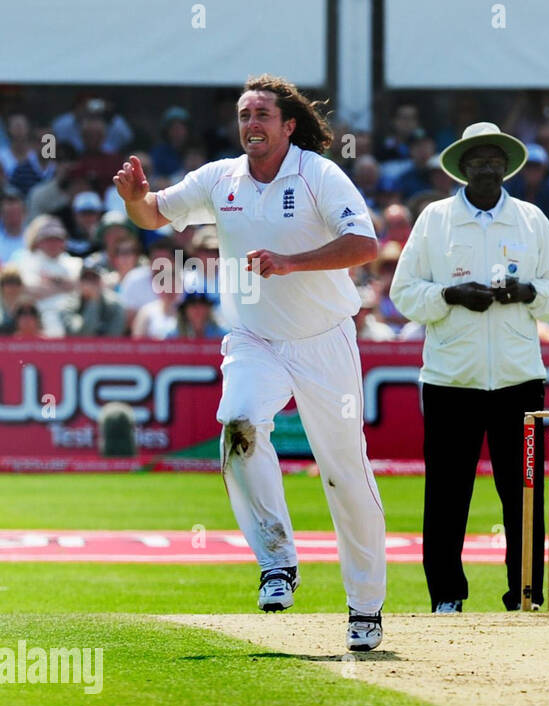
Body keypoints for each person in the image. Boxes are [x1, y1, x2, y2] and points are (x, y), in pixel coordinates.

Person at [114, 73, 387, 652]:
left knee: (344, 473)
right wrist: (136, 197)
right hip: (253, 337)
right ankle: (277, 561)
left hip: (323, 339)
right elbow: (153, 216)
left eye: (263, 114)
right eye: (244, 115)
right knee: (238, 427)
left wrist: (291, 262)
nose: (251, 124)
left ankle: (365, 606)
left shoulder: (318, 174)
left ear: (289, 126)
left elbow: (366, 246)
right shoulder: (220, 178)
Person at [391, 122, 549, 616]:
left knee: (523, 494)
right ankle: (446, 595)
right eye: (478, 160)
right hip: (451, 378)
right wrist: (450, 296)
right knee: (448, 494)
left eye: (496, 160)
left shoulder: (531, 220)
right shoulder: (435, 219)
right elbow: (403, 294)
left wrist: (527, 293)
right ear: (463, 166)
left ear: (506, 167)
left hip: (518, 377)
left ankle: (526, 594)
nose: (487, 167)